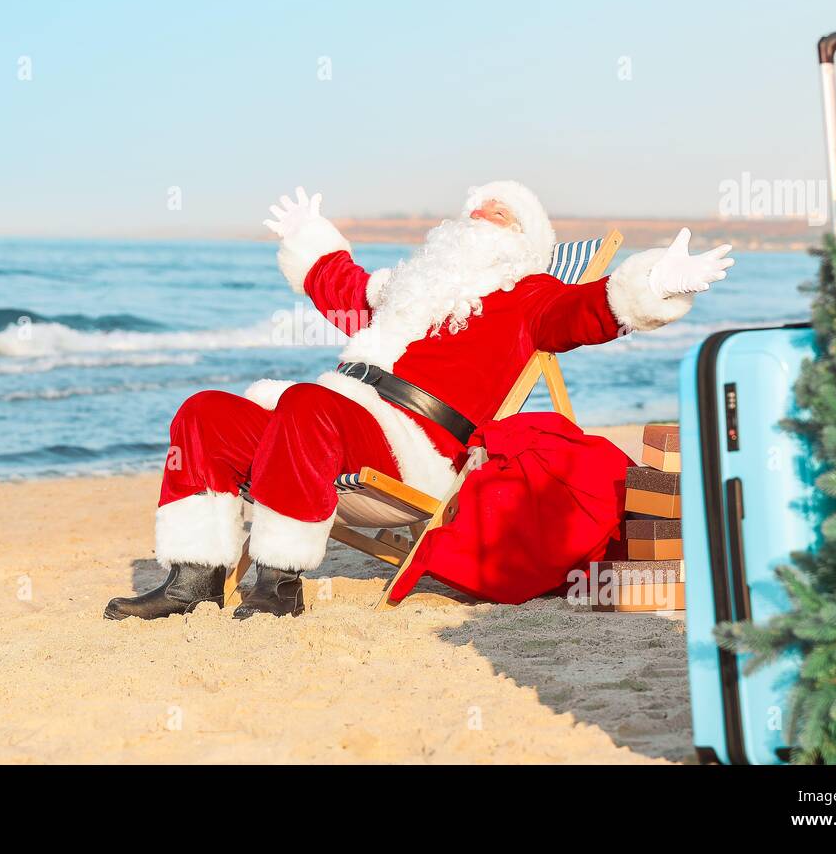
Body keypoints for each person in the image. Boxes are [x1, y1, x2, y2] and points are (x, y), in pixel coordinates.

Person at [104, 181, 733, 621]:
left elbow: (590, 310)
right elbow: (338, 284)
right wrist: (309, 237)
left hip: (410, 447)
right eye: (474, 211)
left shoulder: (530, 296)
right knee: (206, 410)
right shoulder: (408, 289)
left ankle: (278, 582)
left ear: (526, 241)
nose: (478, 219)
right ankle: (193, 578)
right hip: (322, 425)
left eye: (498, 214)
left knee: (305, 404)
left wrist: (655, 283)